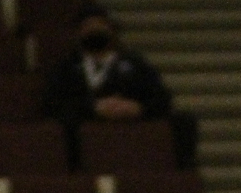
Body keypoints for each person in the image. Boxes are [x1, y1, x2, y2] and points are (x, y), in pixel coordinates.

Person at [41, 2, 181, 168]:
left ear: (111, 30)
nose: (94, 29)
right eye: (88, 26)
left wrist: (137, 108)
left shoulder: (136, 65)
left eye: (100, 25)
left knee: (182, 121)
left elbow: (162, 98)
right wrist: (93, 108)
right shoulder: (66, 68)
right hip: (83, 129)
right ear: (78, 32)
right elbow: (52, 104)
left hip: (131, 125)